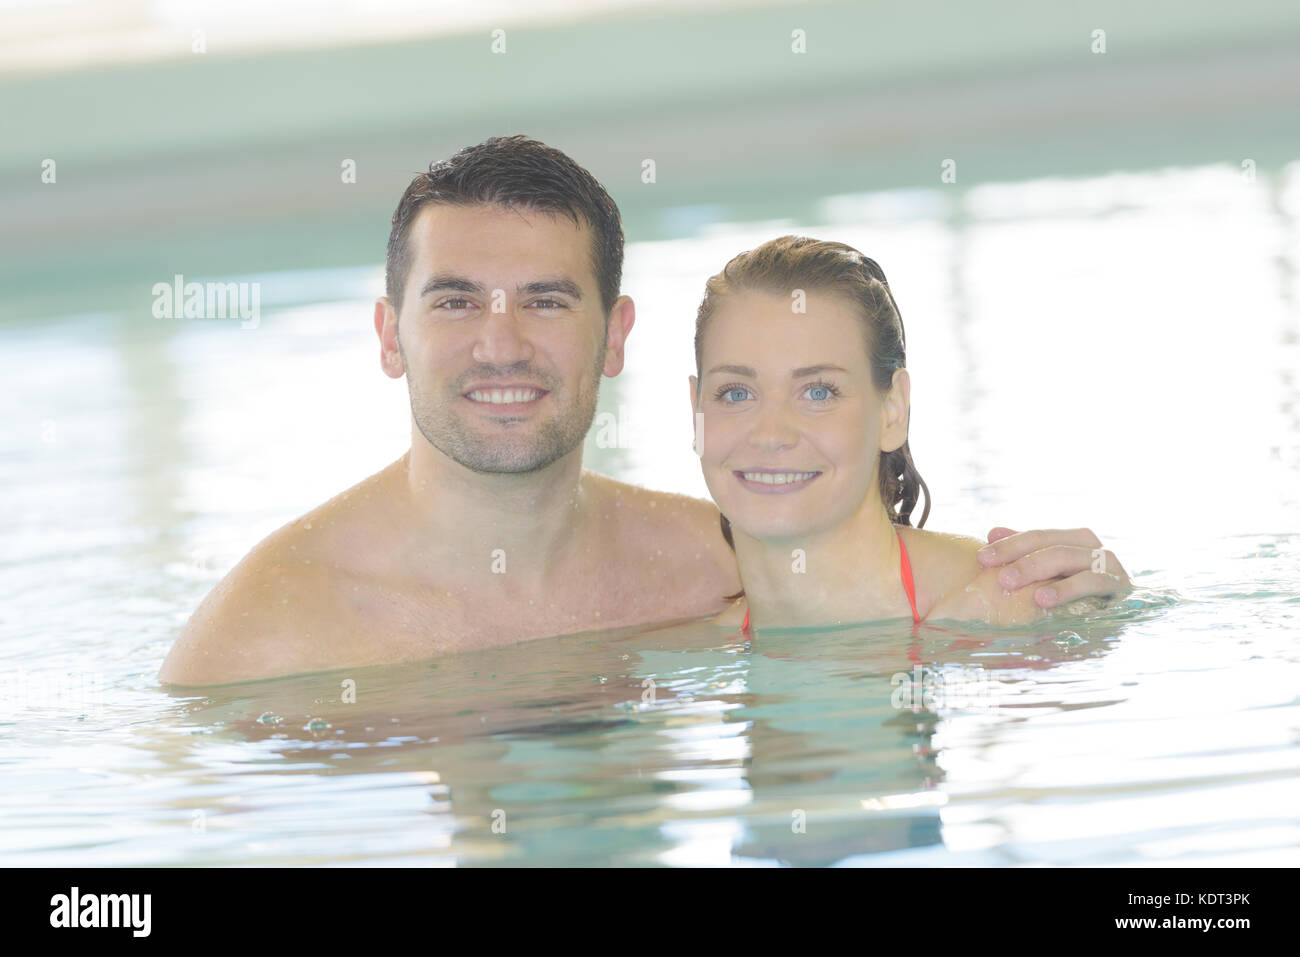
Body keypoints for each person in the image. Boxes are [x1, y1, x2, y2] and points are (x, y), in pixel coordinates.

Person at [158, 136, 1127, 686]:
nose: (501, 343)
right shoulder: (267, 638)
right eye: (455, 301)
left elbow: (915, 597)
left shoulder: (721, 558)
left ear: (616, 335)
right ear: (387, 335)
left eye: (546, 299)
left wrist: (1078, 588)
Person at [689, 235, 1130, 635]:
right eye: (736, 393)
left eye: (818, 391)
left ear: (892, 411)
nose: (771, 434)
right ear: (696, 411)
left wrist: (1106, 612)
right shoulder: (704, 648)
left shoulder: (1010, 609)